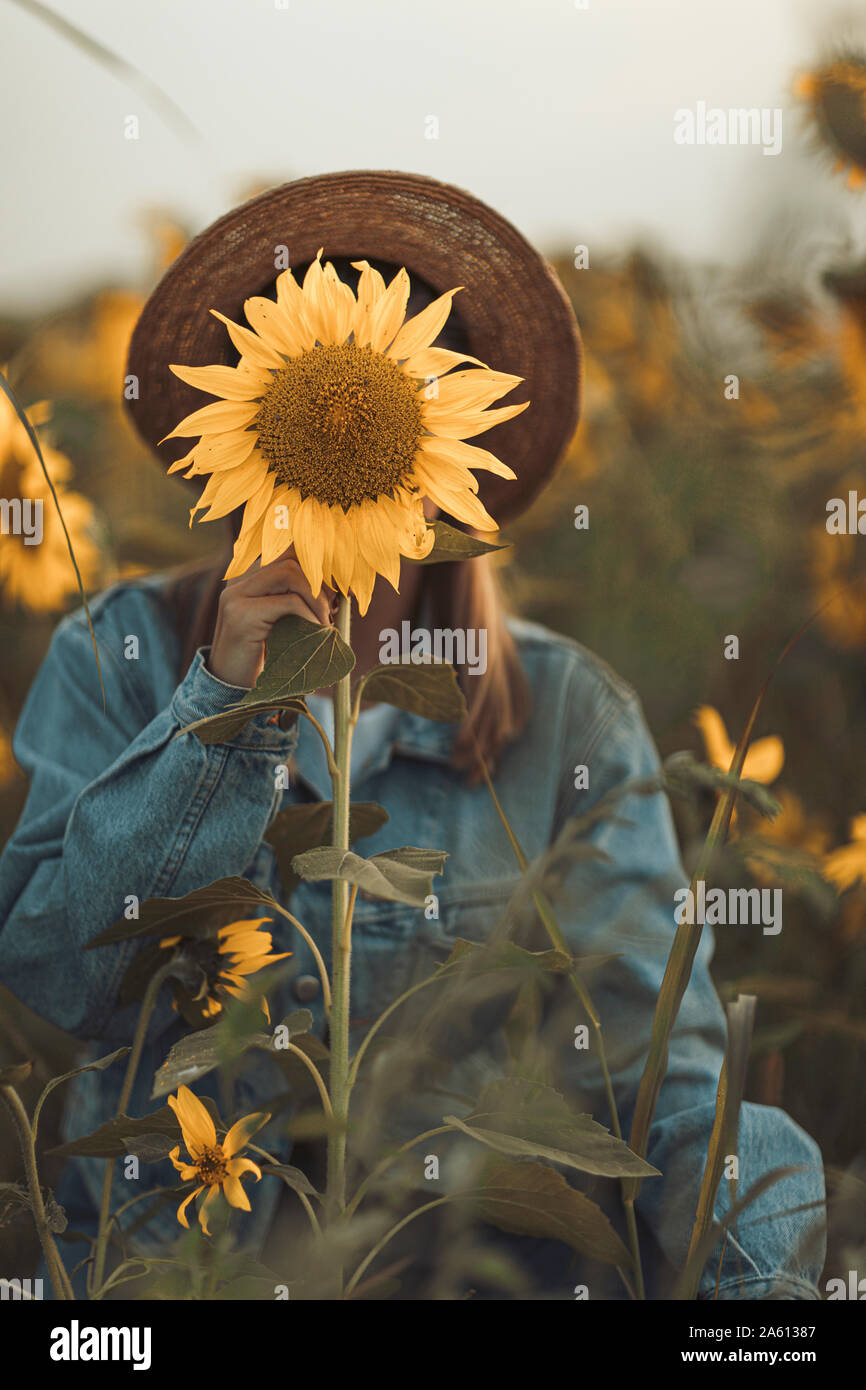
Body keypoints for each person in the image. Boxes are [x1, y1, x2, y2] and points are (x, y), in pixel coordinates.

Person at [0, 172, 824, 1300]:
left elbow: (661, 1083)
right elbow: (51, 970)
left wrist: (759, 1306)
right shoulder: (116, 654)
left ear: (452, 450)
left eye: (397, 397)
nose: (344, 413)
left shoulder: (564, 714)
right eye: (301, 390)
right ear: (243, 406)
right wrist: (229, 711)